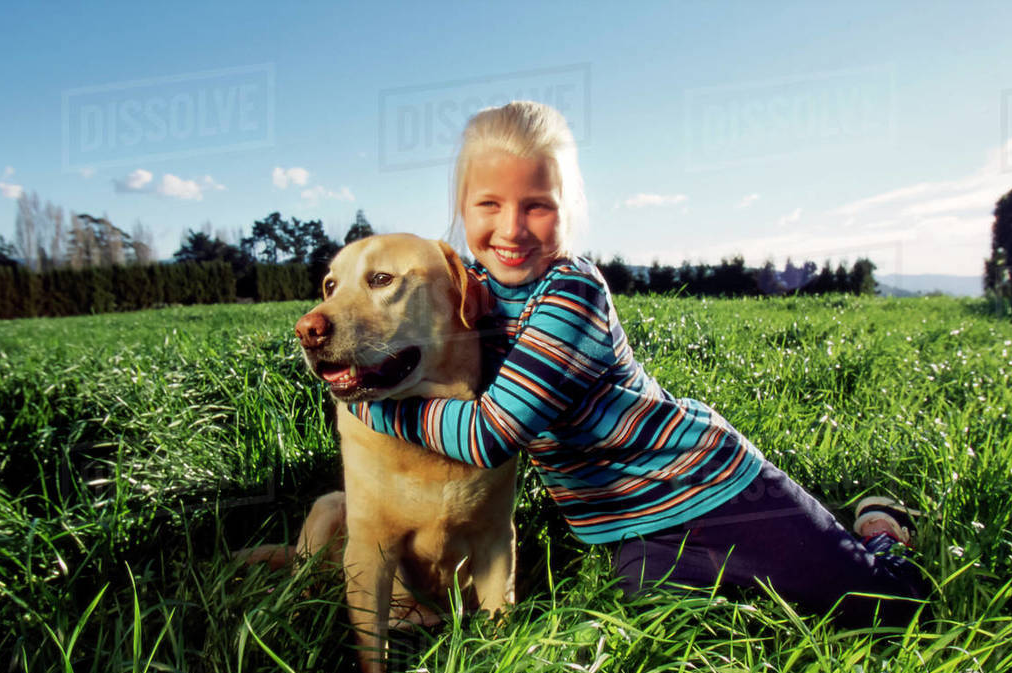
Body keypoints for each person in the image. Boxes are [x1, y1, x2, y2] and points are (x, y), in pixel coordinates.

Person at [348, 100, 927, 625]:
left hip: (711, 488)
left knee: (887, 607)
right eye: (489, 204)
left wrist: (368, 405)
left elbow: (490, 435)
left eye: (537, 206)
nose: (511, 228)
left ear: (567, 209)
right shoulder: (462, 286)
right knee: (668, 634)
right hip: (629, 526)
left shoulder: (570, 294)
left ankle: (880, 530)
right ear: (462, 207)